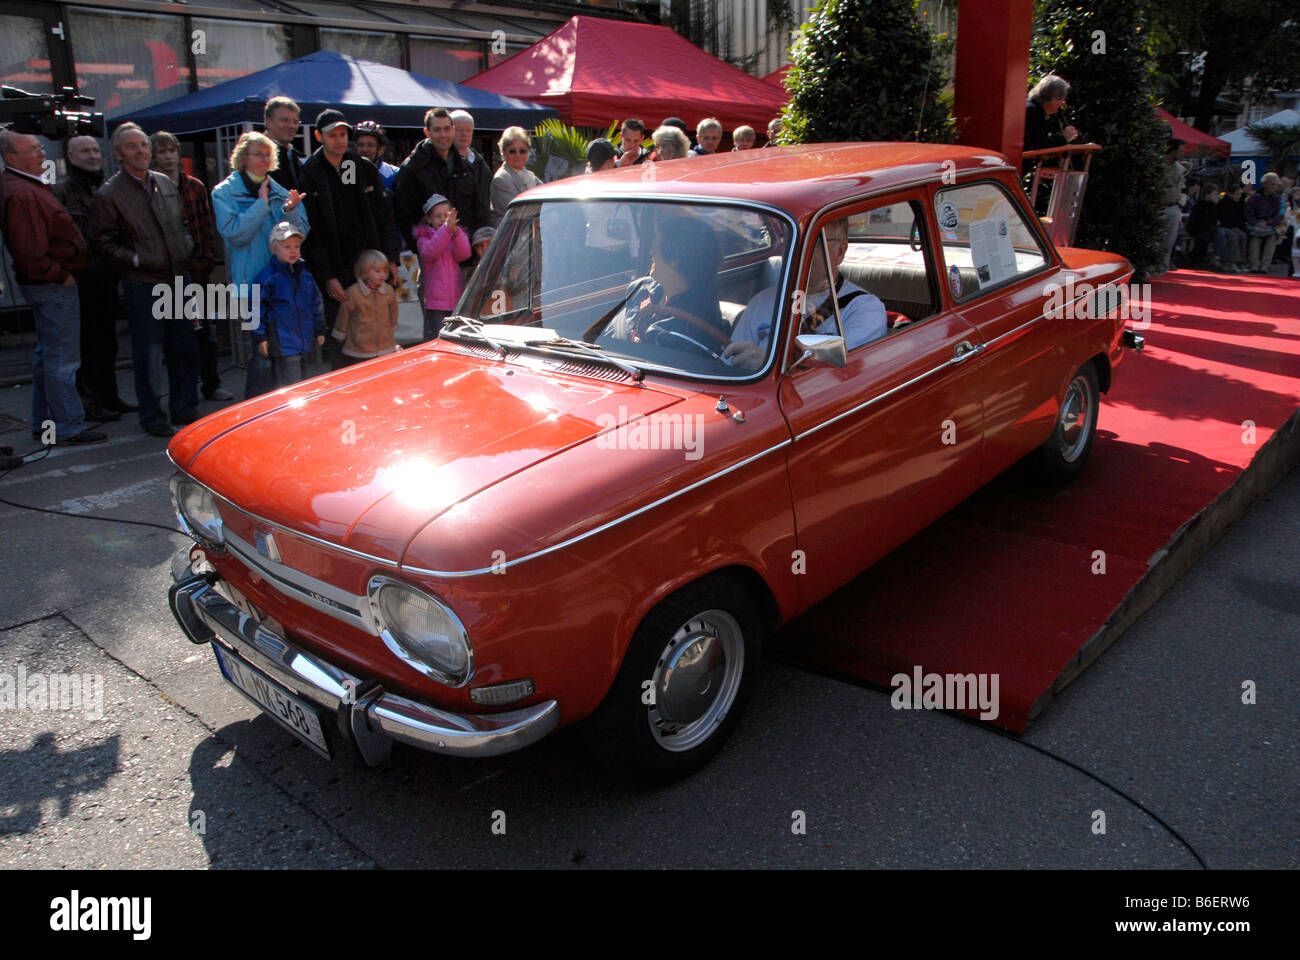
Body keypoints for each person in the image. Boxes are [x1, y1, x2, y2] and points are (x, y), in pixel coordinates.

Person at [91, 121, 196, 437]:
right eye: (132, 146)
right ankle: (152, 418)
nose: (141, 151)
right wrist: (136, 259)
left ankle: (185, 409)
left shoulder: (164, 182)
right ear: (119, 153)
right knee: (149, 355)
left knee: (185, 349)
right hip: (143, 284)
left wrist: (186, 247)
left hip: (178, 278)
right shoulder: (109, 194)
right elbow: (103, 242)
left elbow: (181, 223)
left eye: (143, 145)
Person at [1, 130, 104, 445]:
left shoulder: (25, 187)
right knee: (61, 359)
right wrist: (60, 275)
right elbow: (30, 251)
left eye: (39, 147)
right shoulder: (22, 192)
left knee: (49, 356)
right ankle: (67, 425)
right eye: (32, 149)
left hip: (47, 282)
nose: (41, 153)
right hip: (51, 285)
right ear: (11, 157)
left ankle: (46, 424)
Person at [211, 131, 309, 398]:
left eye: (268, 154)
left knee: (286, 353)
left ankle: (283, 411)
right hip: (249, 288)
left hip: (283, 283)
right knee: (261, 354)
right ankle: (253, 411)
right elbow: (234, 234)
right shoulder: (224, 192)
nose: (264, 159)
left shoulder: (278, 189)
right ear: (243, 157)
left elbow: (300, 236)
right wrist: (261, 205)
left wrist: (293, 211)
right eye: (257, 153)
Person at [300, 108, 399, 365]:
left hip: (367, 263)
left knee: (373, 327)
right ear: (319, 136)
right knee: (340, 336)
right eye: (333, 135)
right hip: (335, 266)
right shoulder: (311, 172)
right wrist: (327, 276)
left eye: (343, 134)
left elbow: (384, 216)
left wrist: (391, 258)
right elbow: (311, 233)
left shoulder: (357, 167)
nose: (339, 140)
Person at [725, 218, 886, 371]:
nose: (799, 251)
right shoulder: (762, 301)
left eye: (813, 243)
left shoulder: (864, 309)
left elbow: (844, 369)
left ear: (840, 252)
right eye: (791, 241)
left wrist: (770, 363)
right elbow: (730, 362)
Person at [53, 134, 135, 420]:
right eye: (84, 151)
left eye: (95, 150)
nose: (91, 155)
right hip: (80, 280)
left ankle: (109, 397)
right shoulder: (61, 192)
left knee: (107, 342)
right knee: (84, 345)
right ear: (70, 156)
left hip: (109, 278)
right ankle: (88, 403)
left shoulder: (108, 187)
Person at [150, 130, 228, 402]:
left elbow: (207, 230)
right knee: (178, 339)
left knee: (207, 331)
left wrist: (205, 261)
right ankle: (184, 392)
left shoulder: (195, 186)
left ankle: (211, 383)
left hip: (198, 271)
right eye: (162, 151)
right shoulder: (152, 187)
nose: (168, 156)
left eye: (171, 150)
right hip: (168, 275)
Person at [605, 215, 726, 346]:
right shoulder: (640, 289)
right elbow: (609, 341)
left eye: (656, 243)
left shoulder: (699, 321)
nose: (651, 250)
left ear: (675, 257)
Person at [393, 107, 486, 250]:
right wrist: (423, 251)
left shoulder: (466, 167)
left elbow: (479, 211)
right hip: (431, 258)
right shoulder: (412, 169)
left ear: (452, 130)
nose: (443, 134)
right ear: (427, 133)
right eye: (437, 130)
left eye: (447, 129)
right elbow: (405, 218)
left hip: (463, 254)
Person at [250, 221, 324, 387]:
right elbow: (256, 308)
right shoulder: (267, 278)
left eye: (296, 246)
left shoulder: (305, 276)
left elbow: (315, 304)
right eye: (287, 246)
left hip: (303, 341)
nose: (293, 250)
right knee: (289, 385)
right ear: (275, 248)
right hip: (283, 342)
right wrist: (260, 336)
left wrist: (319, 329)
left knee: (304, 383)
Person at [413, 193, 471, 339]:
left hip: (456, 299)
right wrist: (446, 230)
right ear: (429, 219)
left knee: (457, 339)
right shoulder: (424, 238)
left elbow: (464, 254)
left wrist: (456, 232)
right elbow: (430, 252)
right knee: (438, 338)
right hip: (436, 304)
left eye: (446, 215)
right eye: (437, 216)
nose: (442, 219)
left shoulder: (454, 235)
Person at [333, 249, 398, 366]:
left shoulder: (388, 291)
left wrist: (392, 326)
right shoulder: (354, 292)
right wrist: (340, 333)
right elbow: (344, 314)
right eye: (377, 271)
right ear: (365, 272)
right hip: (359, 347)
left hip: (385, 344)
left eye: (385, 271)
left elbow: (393, 310)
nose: (382, 274)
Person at [489, 127, 542, 227]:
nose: (518, 155)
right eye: (512, 151)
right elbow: (519, 211)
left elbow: (546, 196)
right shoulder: (501, 179)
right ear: (504, 152)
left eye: (522, 151)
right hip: (513, 238)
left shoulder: (530, 176)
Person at [450, 109, 493, 229]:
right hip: (455, 231)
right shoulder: (444, 164)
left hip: (479, 232)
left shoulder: (481, 165)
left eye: (468, 130)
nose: (464, 134)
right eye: (459, 130)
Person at [1023, 75, 1079, 154]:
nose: (1062, 104)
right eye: (1062, 100)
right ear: (1054, 99)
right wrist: (1064, 138)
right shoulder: (1032, 113)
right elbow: (1040, 145)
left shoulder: (1034, 109)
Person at [1155, 138, 1185, 276]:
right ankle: (1152, 267)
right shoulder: (1158, 165)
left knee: (1169, 241)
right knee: (1156, 240)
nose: (1182, 153)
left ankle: (1162, 268)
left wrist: (1180, 204)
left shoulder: (1179, 169)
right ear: (1172, 150)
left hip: (1173, 206)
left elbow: (1182, 187)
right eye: (1180, 150)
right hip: (1158, 206)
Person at [1245, 172, 1285, 274]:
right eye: (1272, 184)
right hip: (1256, 225)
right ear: (1265, 184)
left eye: (1275, 184)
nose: (1274, 187)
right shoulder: (1255, 197)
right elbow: (1248, 213)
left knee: (1272, 238)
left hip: (1269, 225)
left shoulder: (1277, 199)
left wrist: (1269, 222)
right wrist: (1257, 222)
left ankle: (1265, 266)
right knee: (1254, 239)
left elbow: (1280, 215)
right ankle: (1254, 264)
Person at [264, 96, 305, 193]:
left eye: (295, 122)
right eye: (284, 120)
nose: (291, 126)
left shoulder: (297, 158)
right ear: (268, 122)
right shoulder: (258, 157)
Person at [353, 120, 399, 190]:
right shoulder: (346, 173)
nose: (364, 149)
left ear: (382, 150)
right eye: (360, 145)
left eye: (370, 145)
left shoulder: (394, 175)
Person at [1216, 185, 1248, 272]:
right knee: (1234, 236)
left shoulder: (1240, 204)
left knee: (1243, 236)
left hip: (1235, 226)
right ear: (1230, 194)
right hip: (1225, 226)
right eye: (1237, 194)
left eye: (1240, 194)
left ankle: (1242, 262)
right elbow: (1221, 218)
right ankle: (1233, 261)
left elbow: (1242, 217)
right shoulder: (1223, 203)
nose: (1239, 196)